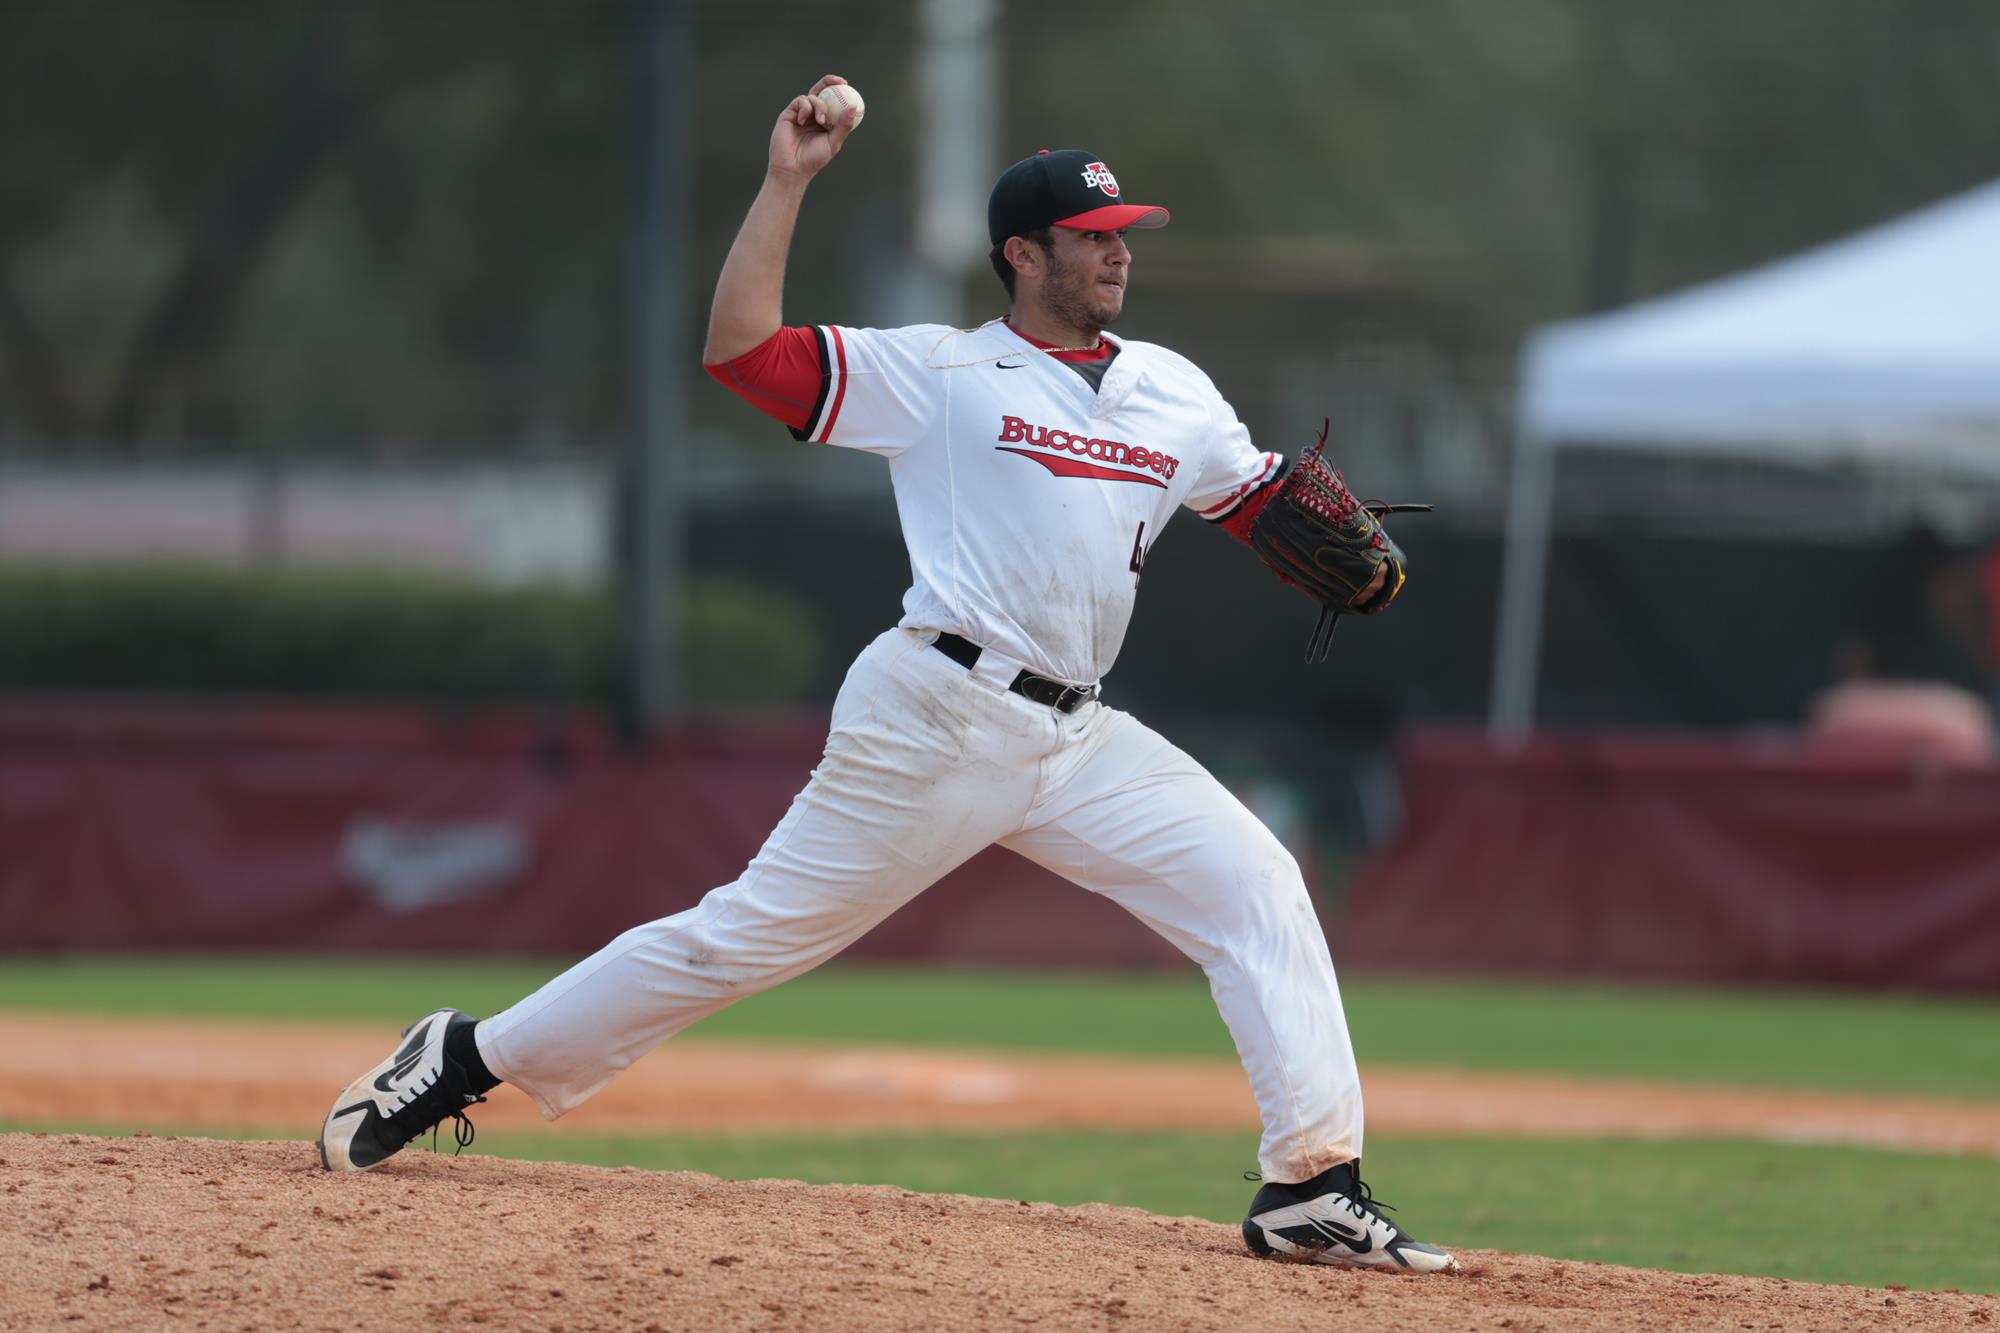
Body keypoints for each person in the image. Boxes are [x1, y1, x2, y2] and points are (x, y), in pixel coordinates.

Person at [318, 74, 1452, 1275]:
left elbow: (1259, 497)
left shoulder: (1170, 390)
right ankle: (463, 1056)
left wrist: (1332, 540)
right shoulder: (941, 372)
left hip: (1078, 739)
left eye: (1125, 235)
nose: (1118, 254)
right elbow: (741, 352)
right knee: (742, 941)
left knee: (1257, 888)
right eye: (1092, 237)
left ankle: (1310, 1183)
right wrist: (786, 181)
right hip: (937, 715)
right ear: (1022, 252)